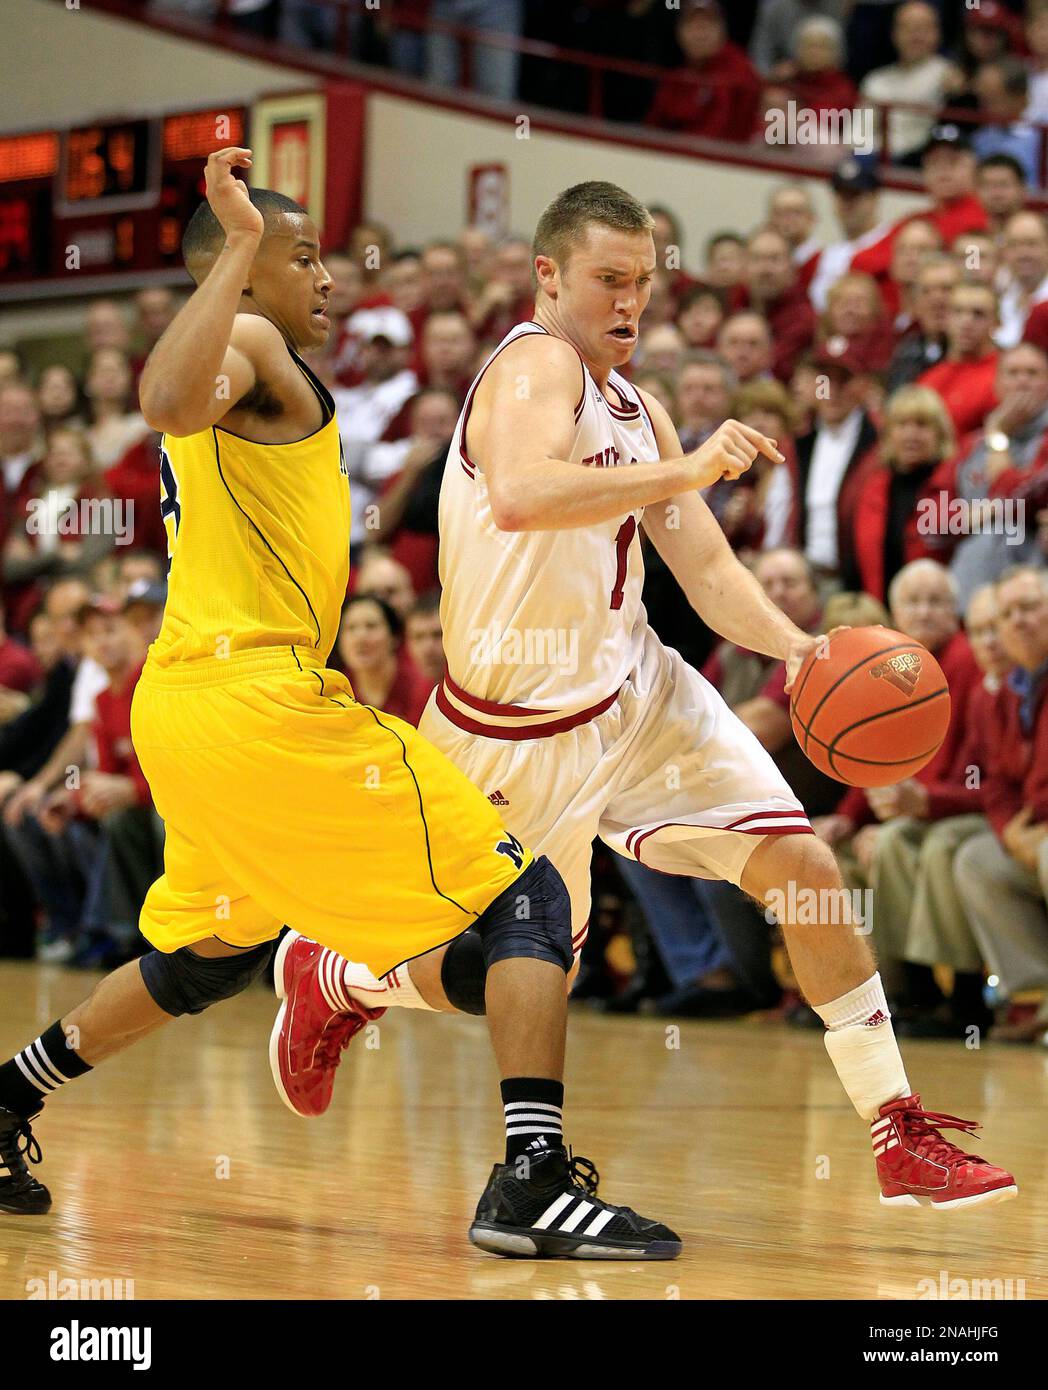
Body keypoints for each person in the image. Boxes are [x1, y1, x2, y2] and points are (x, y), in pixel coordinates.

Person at [0, 153, 679, 1261]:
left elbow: (174, 405)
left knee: (211, 954)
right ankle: (530, 1178)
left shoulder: (254, 366)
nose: (329, 275)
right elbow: (161, 401)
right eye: (301, 255)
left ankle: (5, 1097)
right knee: (529, 900)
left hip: (186, 706)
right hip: (262, 698)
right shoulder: (253, 343)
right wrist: (231, 253)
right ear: (239, 267)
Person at [302, 180, 1016, 1211]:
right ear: (547, 276)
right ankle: (335, 978)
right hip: (514, 729)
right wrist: (683, 468)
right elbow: (522, 492)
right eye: (608, 280)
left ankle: (895, 1129)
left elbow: (713, 575)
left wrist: (806, 653)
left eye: (643, 282)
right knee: (517, 973)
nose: (631, 302)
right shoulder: (530, 365)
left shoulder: (640, 409)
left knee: (806, 866)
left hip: (638, 693)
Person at [954, 567, 1048, 1045]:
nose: (1018, 622)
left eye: (1029, 608)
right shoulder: (1010, 688)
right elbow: (994, 780)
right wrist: (1011, 828)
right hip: (1032, 829)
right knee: (977, 859)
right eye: (1008, 613)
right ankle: (1032, 995)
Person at [335, 593, 432, 726]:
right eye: (351, 628)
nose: (360, 638)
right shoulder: (334, 691)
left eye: (371, 626)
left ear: (394, 637)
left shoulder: (421, 689)